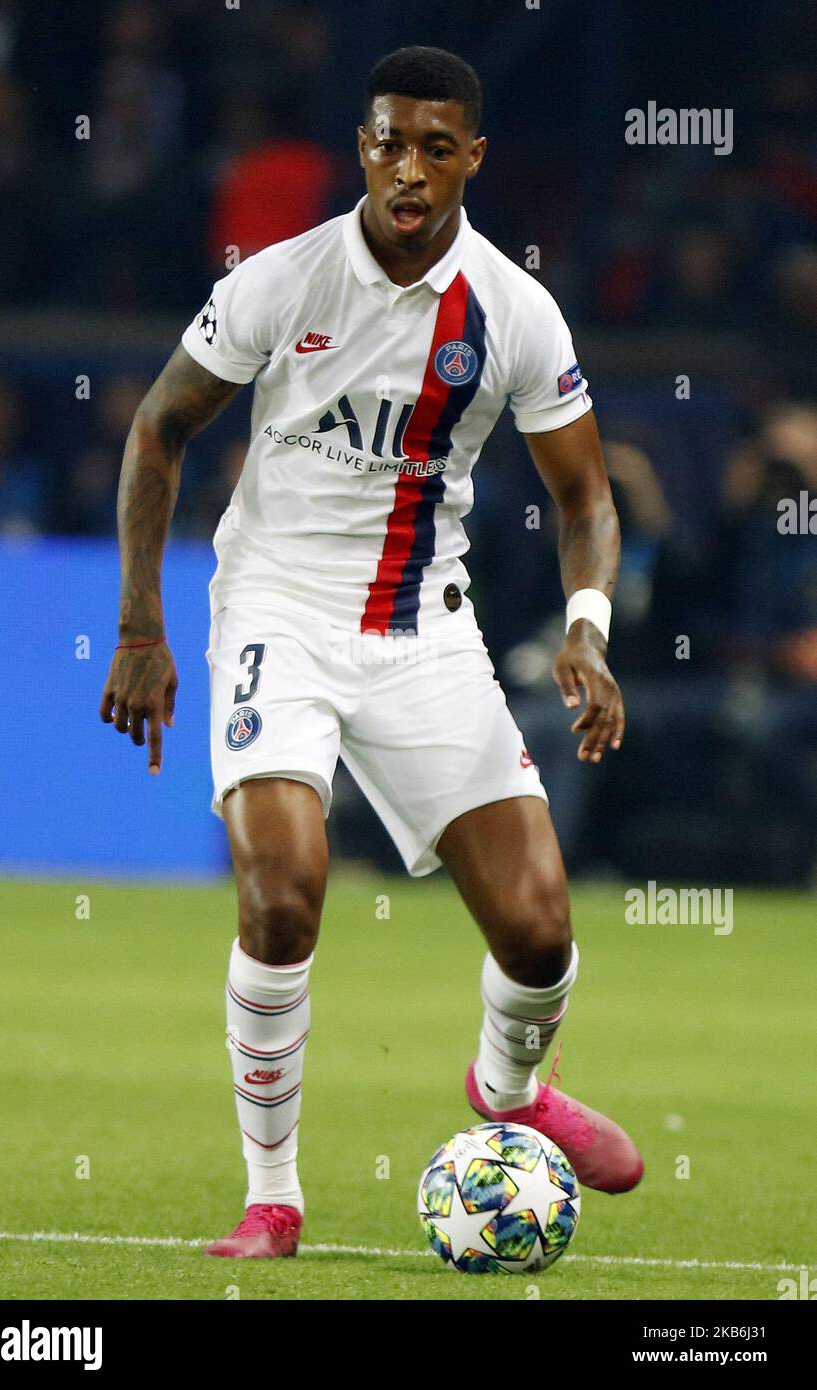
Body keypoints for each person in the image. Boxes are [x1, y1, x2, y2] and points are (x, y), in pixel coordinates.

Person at [100, 46, 643, 1261]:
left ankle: (506, 1094)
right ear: (362, 145)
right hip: (277, 616)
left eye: (435, 148)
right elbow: (158, 429)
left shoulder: (512, 311)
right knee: (284, 893)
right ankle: (273, 1197)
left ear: (472, 160)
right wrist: (143, 623)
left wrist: (587, 627)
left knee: (541, 932)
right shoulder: (281, 282)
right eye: (388, 142)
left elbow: (584, 498)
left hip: (421, 631)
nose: (408, 170)